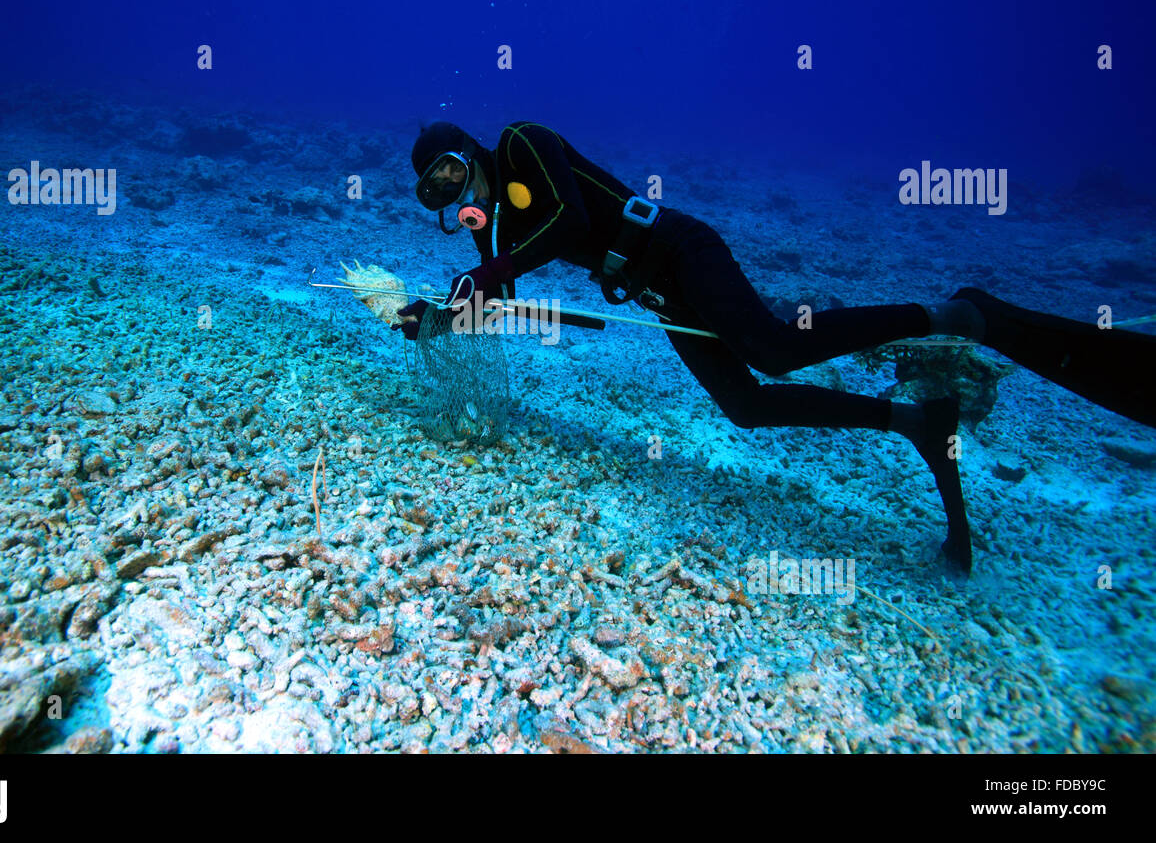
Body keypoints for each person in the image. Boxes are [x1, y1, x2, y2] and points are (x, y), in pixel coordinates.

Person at [395, 120, 1156, 572]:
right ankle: (917, 423)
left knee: (772, 347)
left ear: (471, 151)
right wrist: (432, 318)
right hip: (660, 293)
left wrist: (486, 271)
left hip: (684, 252)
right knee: (746, 405)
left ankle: (951, 313)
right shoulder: (500, 232)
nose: (454, 193)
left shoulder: (522, 142)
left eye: (451, 173)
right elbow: (514, 303)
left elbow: (567, 224)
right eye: (436, 192)